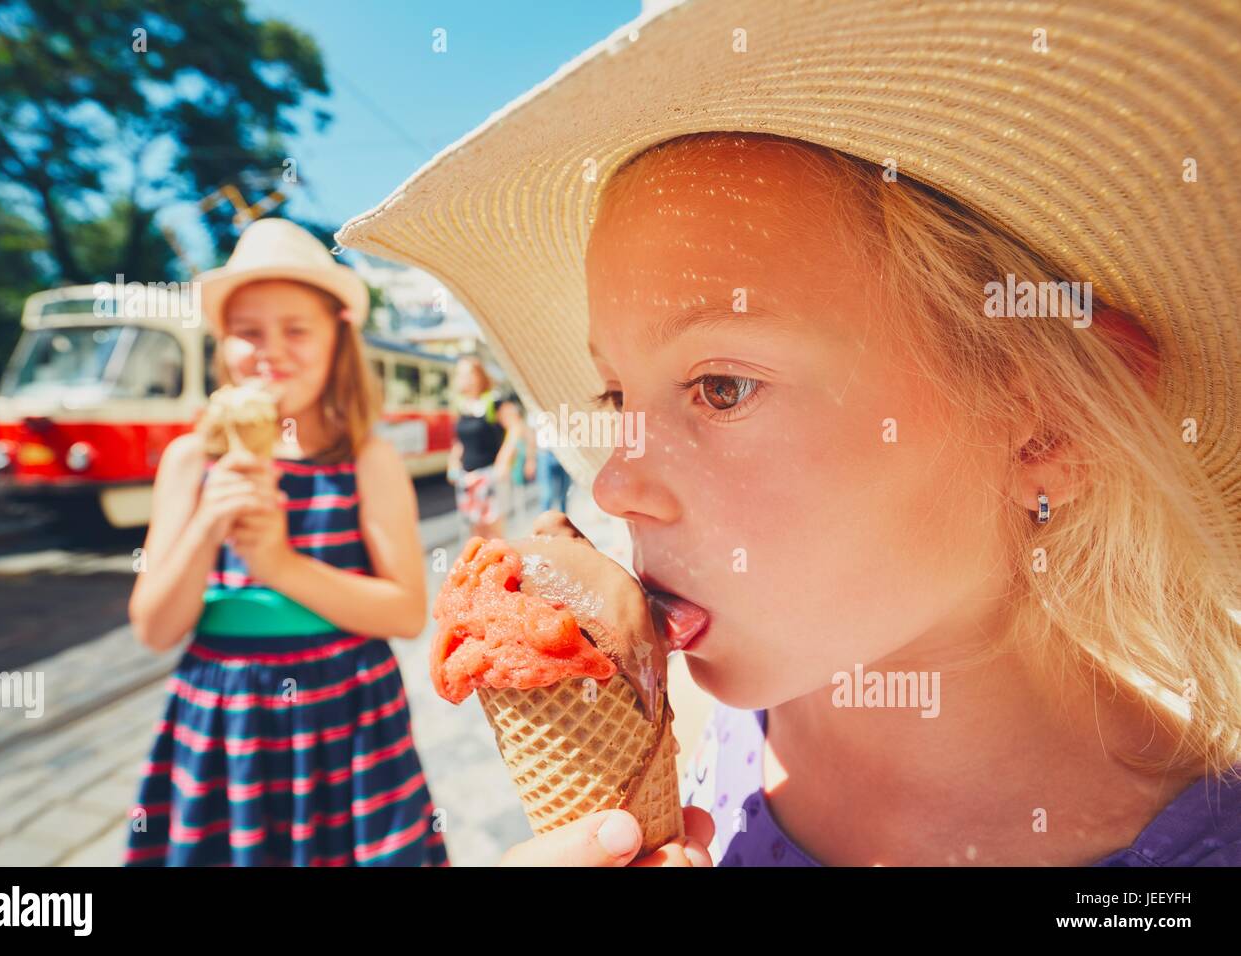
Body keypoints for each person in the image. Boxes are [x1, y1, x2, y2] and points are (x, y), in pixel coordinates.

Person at [337, 0, 1241, 867]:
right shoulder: (687, 734)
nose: (612, 485)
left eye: (720, 386)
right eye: (616, 394)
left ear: (1051, 424)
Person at [124, 218, 449, 866]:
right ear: (223, 347)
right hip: (226, 718)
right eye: (248, 332)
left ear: (337, 340)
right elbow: (155, 628)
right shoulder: (191, 461)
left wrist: (277, 562)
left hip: (346, 714)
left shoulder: (366, 460)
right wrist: (207, 524)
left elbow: (407, 612)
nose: (270, 351)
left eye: (297, 330)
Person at [446, 355, 523, 539]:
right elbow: (460, 440)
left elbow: (515, 427)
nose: (463, 378)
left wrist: (503, 461)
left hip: (490, 475)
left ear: (479, 376)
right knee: (475, 533)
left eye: (468, 374)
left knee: (494, 530)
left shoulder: (494, 402)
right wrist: (453, 462)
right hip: (467, 477)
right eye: (460, 374)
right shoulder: (461, 406)